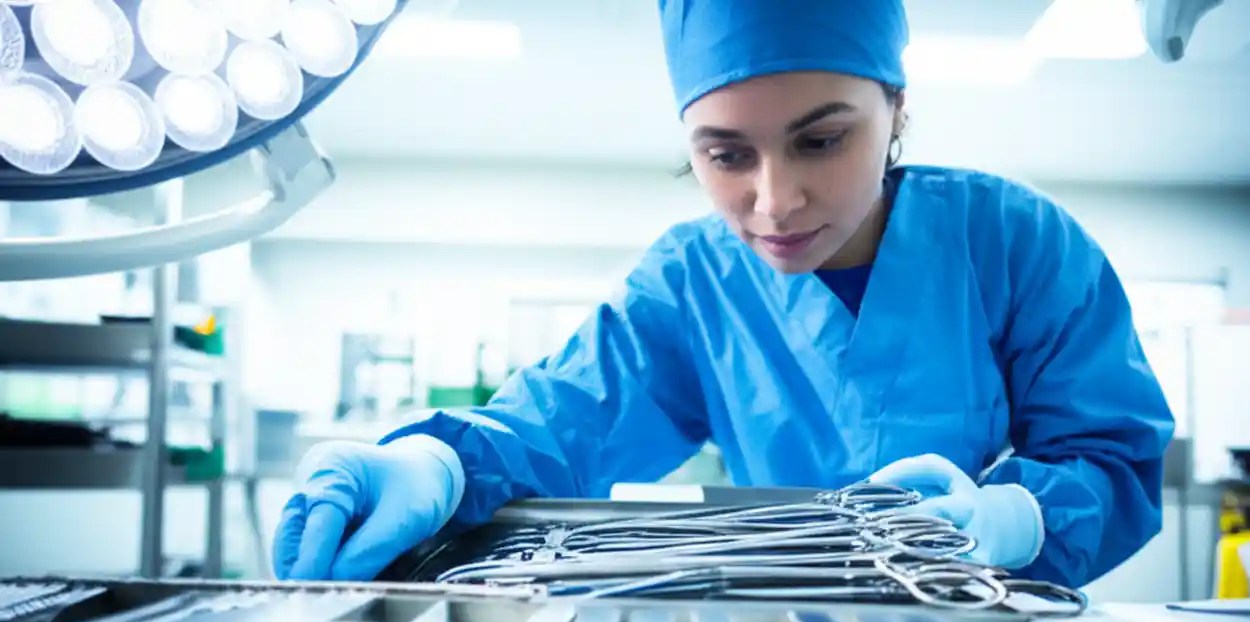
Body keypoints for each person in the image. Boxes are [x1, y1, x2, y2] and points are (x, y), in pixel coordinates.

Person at [272, 0, 1174, 589]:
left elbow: (1113, 457)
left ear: (897, 108)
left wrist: (1014, 518)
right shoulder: (690, 282)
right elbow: (558, 427)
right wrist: (436, 464)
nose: (773, 202)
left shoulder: (1014, 244)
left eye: (821, 142)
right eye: (725, 155)